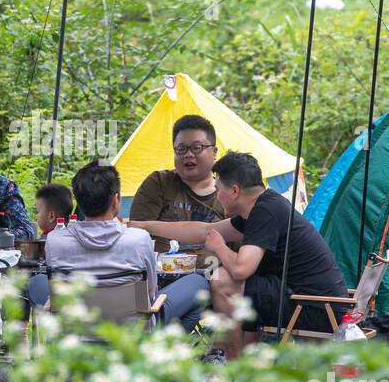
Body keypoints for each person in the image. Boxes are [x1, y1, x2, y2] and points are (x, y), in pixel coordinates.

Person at [131, 151, 348, 360]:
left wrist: (219, 247)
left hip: (316, 308)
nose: (217, 196)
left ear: (234, 191)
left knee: (222, 280)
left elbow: (241, 268)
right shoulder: (261, 207)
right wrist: (143, 226)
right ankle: (241, 360)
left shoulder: (265, 212)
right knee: (246, 287)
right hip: (312, 302)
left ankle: (231, 363)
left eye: (218, 190)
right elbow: (205, 230)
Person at [28, 161, 208, 333]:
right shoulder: (138, 239)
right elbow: (151, 290)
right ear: (116, 201)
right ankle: (160, 352)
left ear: (79, 203)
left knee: (36, 282)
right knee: (199, 283)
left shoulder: (55, 240)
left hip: (77, 327)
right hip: (135, 330)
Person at [129, 114, 224, 263]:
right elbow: (135, 235)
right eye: (181, 149)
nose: (188, 154)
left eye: (197, 148)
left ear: (214, 152)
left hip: (214, 278)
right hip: (162, 276)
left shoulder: (228, 192)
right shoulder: (159, 183)